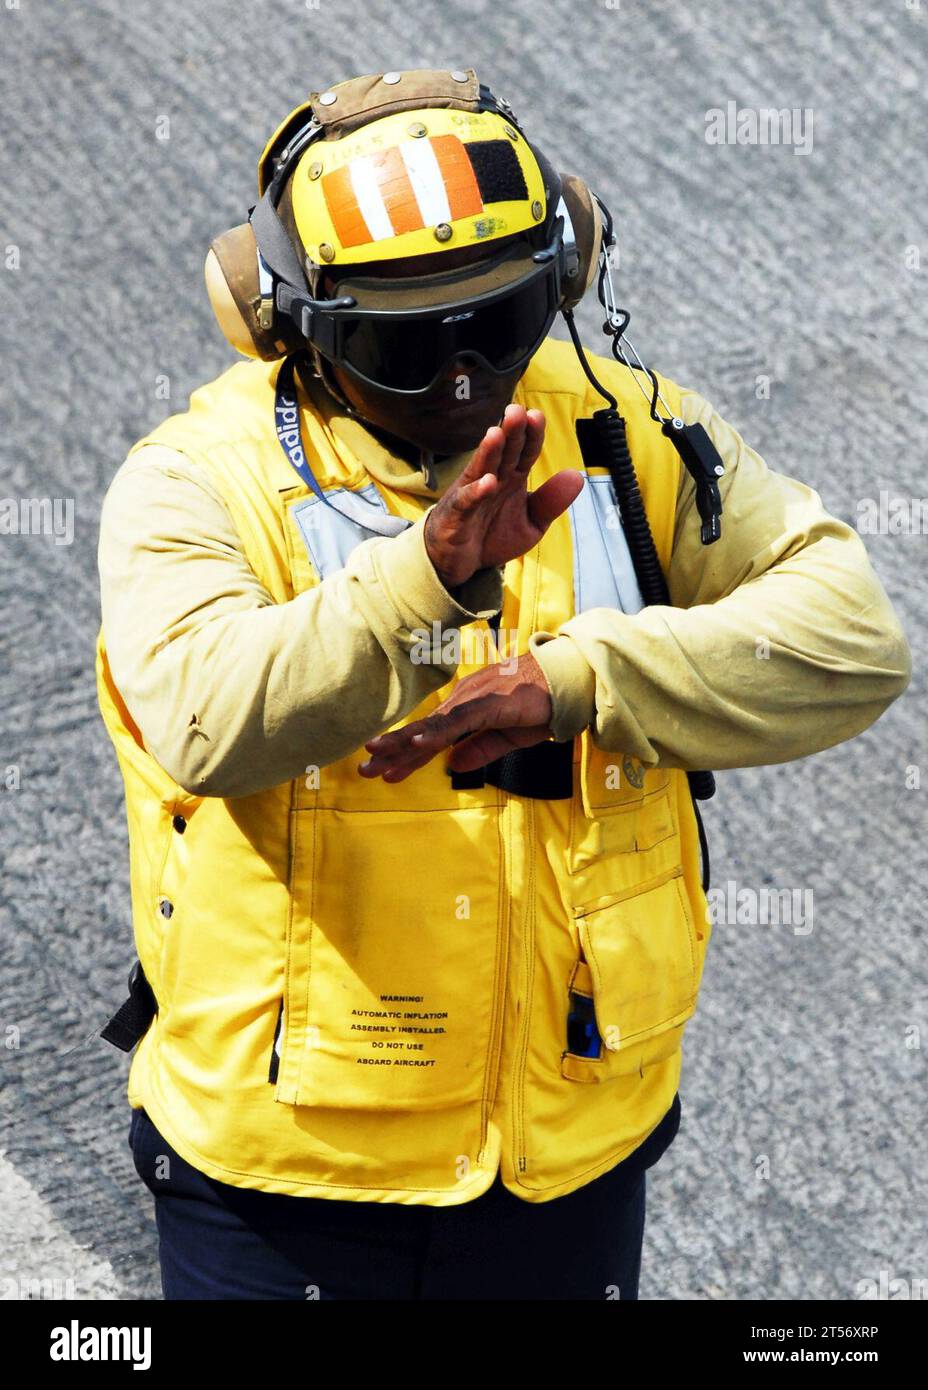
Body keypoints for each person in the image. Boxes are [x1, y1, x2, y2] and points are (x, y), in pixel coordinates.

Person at [95, 68, 911, 1301]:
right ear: (286, 319)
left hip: (566, 1153)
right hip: (290, 1176)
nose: (469, 377)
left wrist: (579, 682)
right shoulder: (191, 484)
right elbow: (207, 718)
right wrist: (419, 587)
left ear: (566, 272)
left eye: (503, 321)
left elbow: (852, 638)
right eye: (404, 347)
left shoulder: (624, 431)